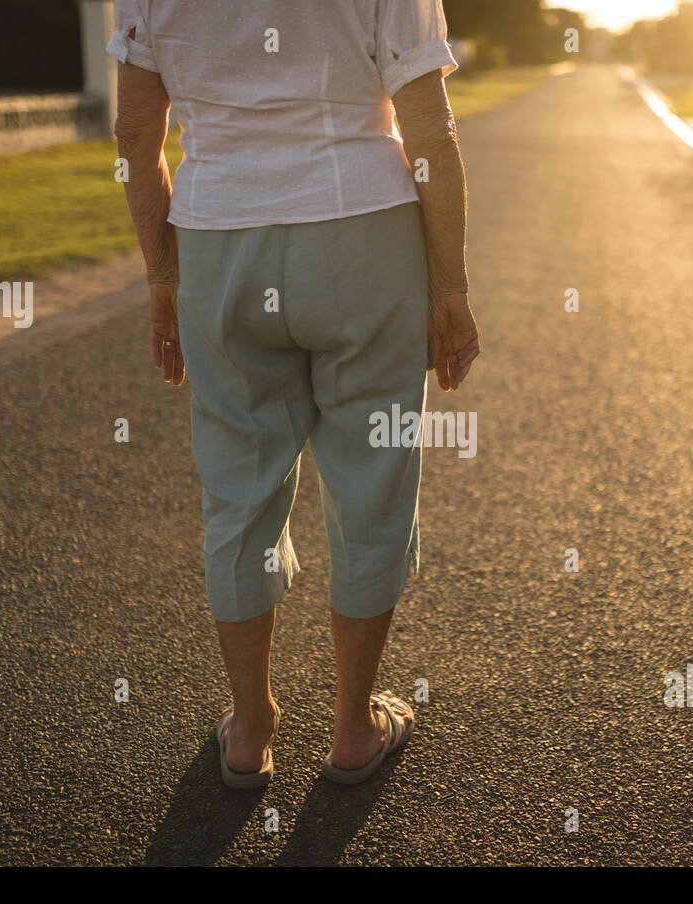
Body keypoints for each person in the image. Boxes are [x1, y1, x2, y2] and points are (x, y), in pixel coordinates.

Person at [108, 0, 480, 787]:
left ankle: (249, 729)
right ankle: (352, 727)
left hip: (219, 239)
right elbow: (433, 138)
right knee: (373, 478)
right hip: (363, 235)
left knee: (239, 487)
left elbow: (137, 140)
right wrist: (449, 284)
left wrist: (163, 275)